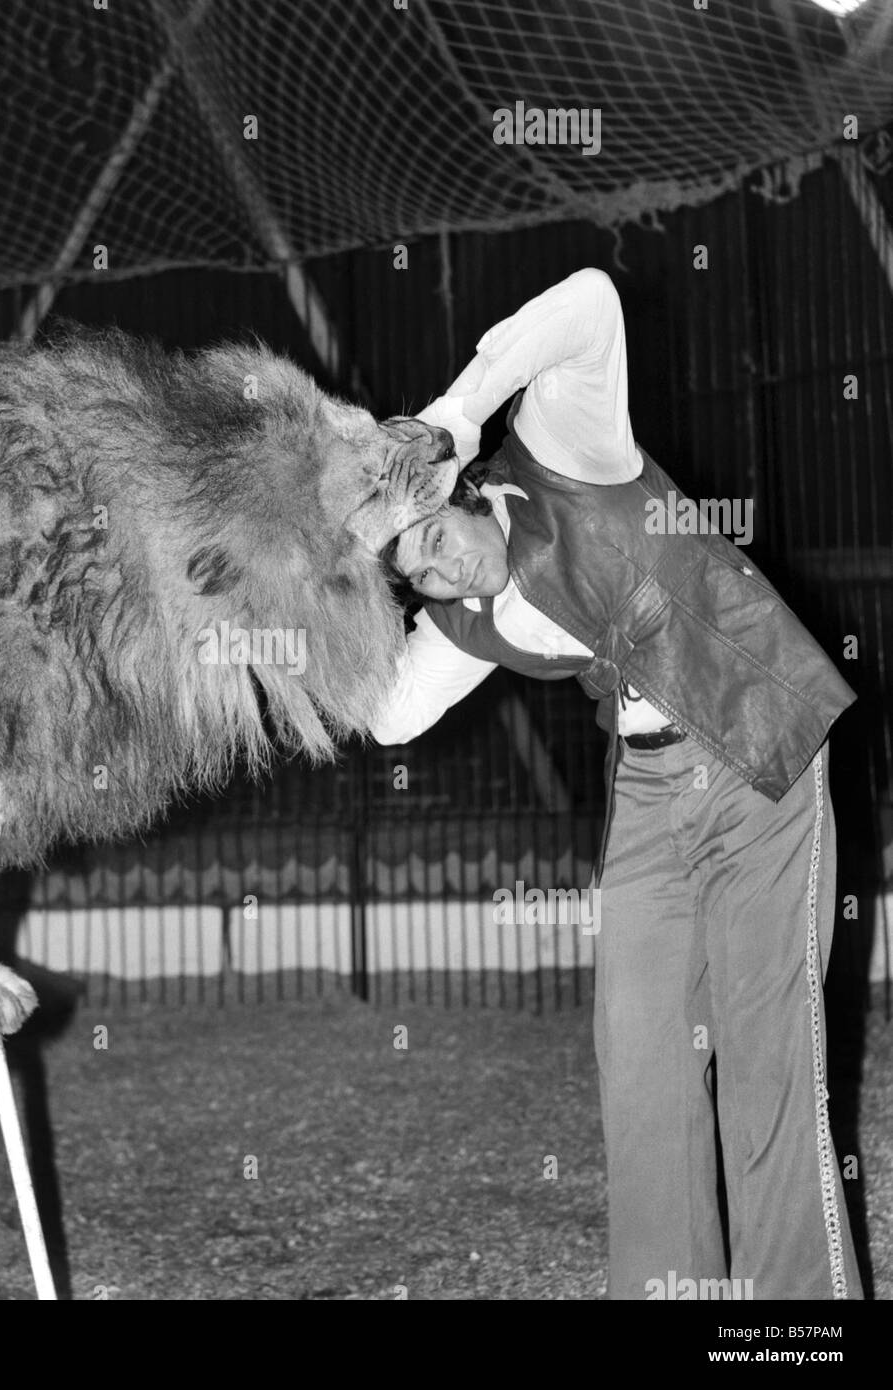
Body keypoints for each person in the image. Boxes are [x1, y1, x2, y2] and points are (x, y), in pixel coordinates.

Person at [369, 267, 861, 1300]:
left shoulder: (564, 449)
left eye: (430, 535)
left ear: (461, 490)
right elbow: (386, 712)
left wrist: (452, 415)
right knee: (640, 1066)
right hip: (646, 798)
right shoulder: (463, 622)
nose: (436, 568)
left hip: (755, 752)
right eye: (411, 572)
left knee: (767, 1070)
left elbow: (590, 297)